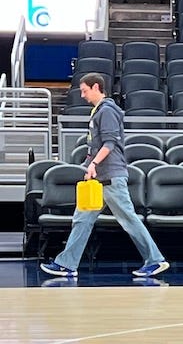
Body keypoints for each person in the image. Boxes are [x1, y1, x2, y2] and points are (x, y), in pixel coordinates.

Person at [40, 73, 169, 279]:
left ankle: (155, 260)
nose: (82, 95)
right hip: (98, 179)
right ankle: (67, 264)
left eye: (85, 90)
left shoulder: (107, 111)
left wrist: (93, 164)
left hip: (111, 178)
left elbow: (109, 144)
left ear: (96, 87)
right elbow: (97, 145)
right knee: (82, 220)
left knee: (128, 219)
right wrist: (89, 166)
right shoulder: (99, 111)